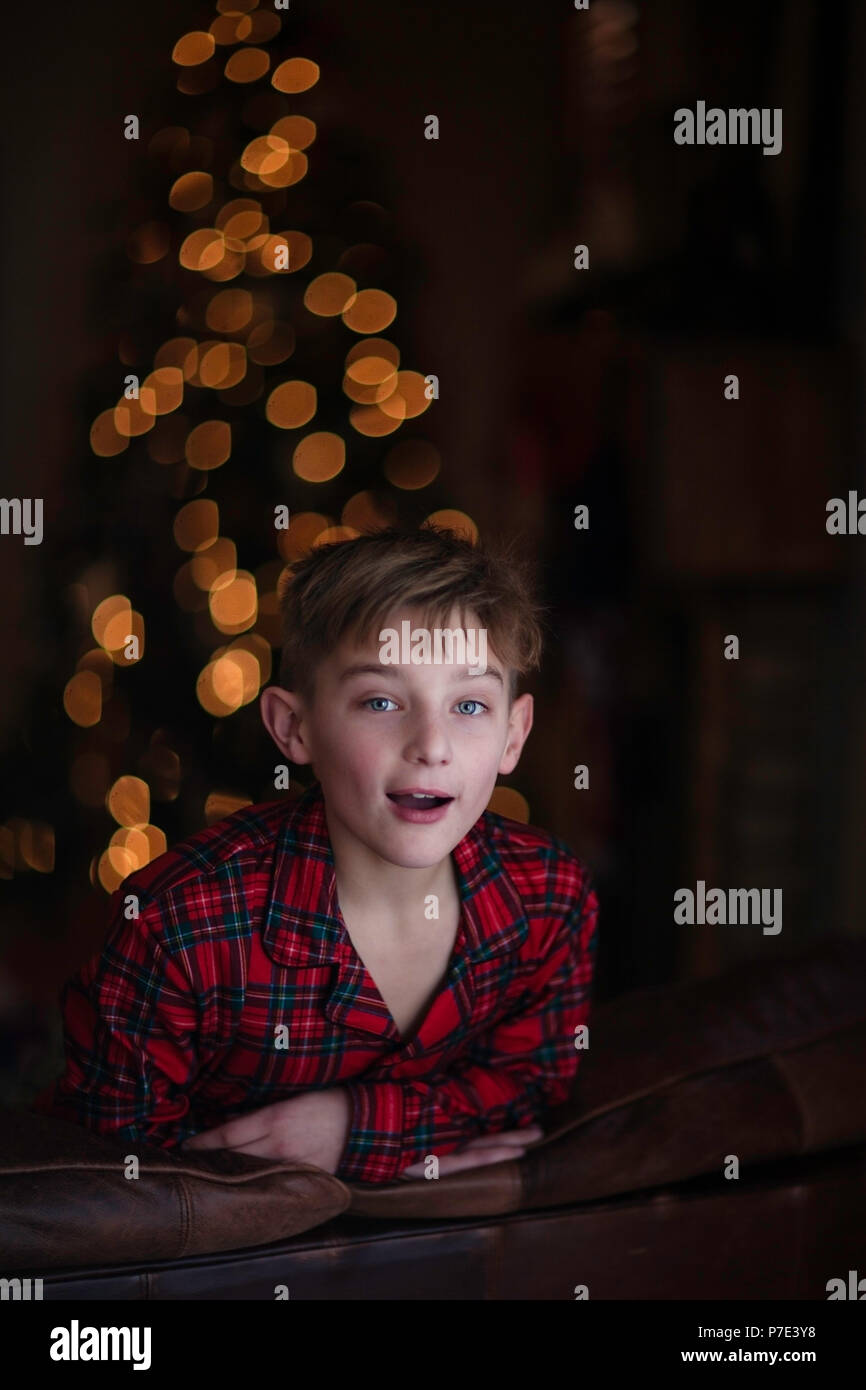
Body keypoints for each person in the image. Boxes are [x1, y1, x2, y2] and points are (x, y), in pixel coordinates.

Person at [33, 525, 599, 1184]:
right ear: (292, 726)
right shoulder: (180, 924)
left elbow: (530, 1086)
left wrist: (350, 1130)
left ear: (514, 733)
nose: (431, 745)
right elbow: (110, 1171)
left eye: (470, 704)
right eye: (381, 701)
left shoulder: (550, 896)